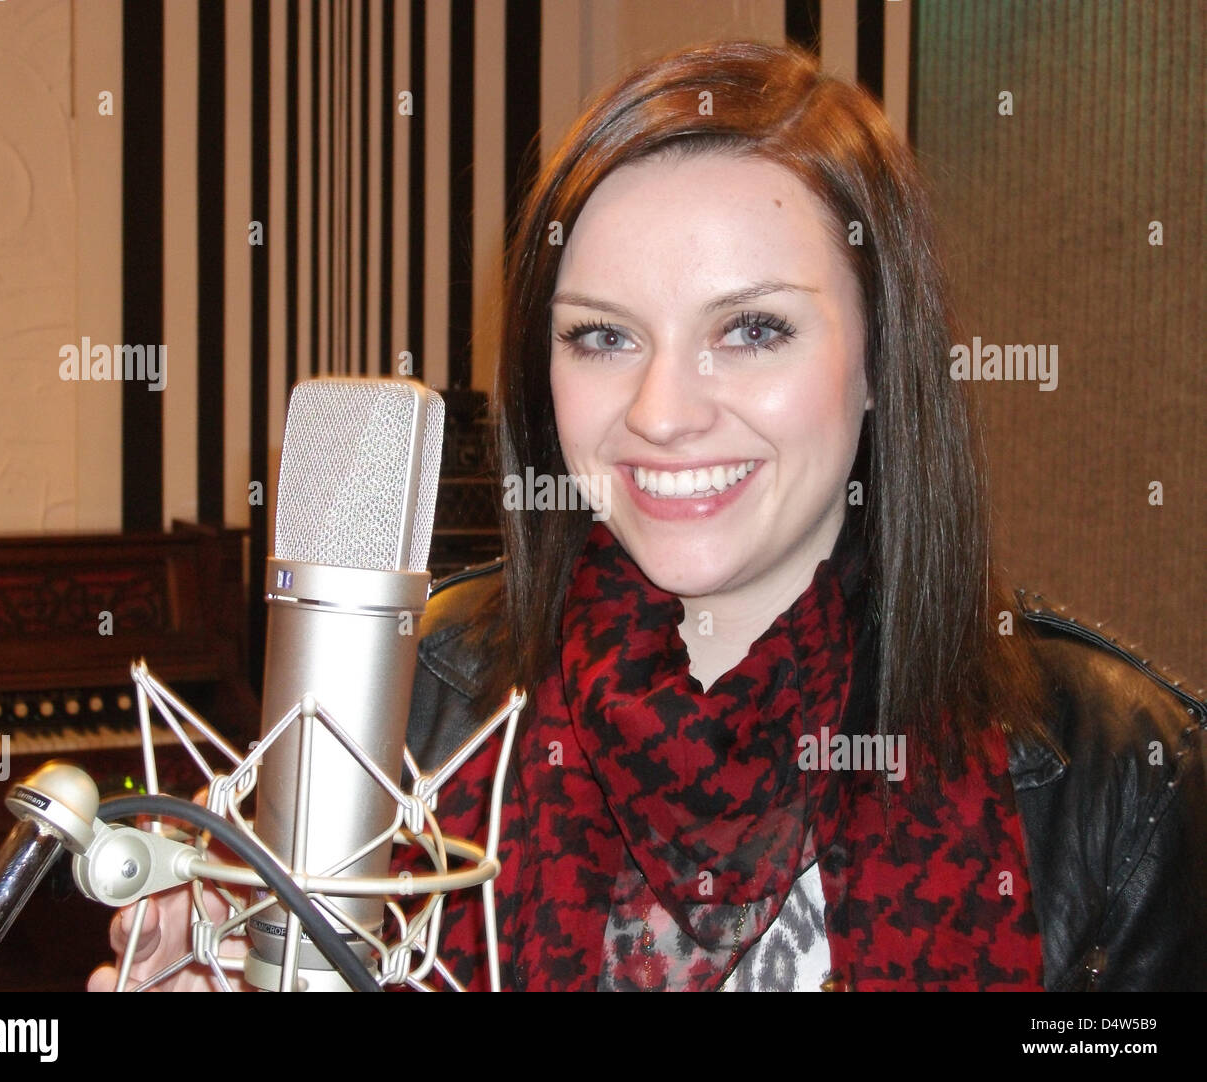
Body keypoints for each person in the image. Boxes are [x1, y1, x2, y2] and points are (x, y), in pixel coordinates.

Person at [91, 40, 1207, 993]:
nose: (662, 414)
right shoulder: (404, 698)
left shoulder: (1118, 771)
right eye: (602, 336)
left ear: (881, 356)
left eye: (754, 329)